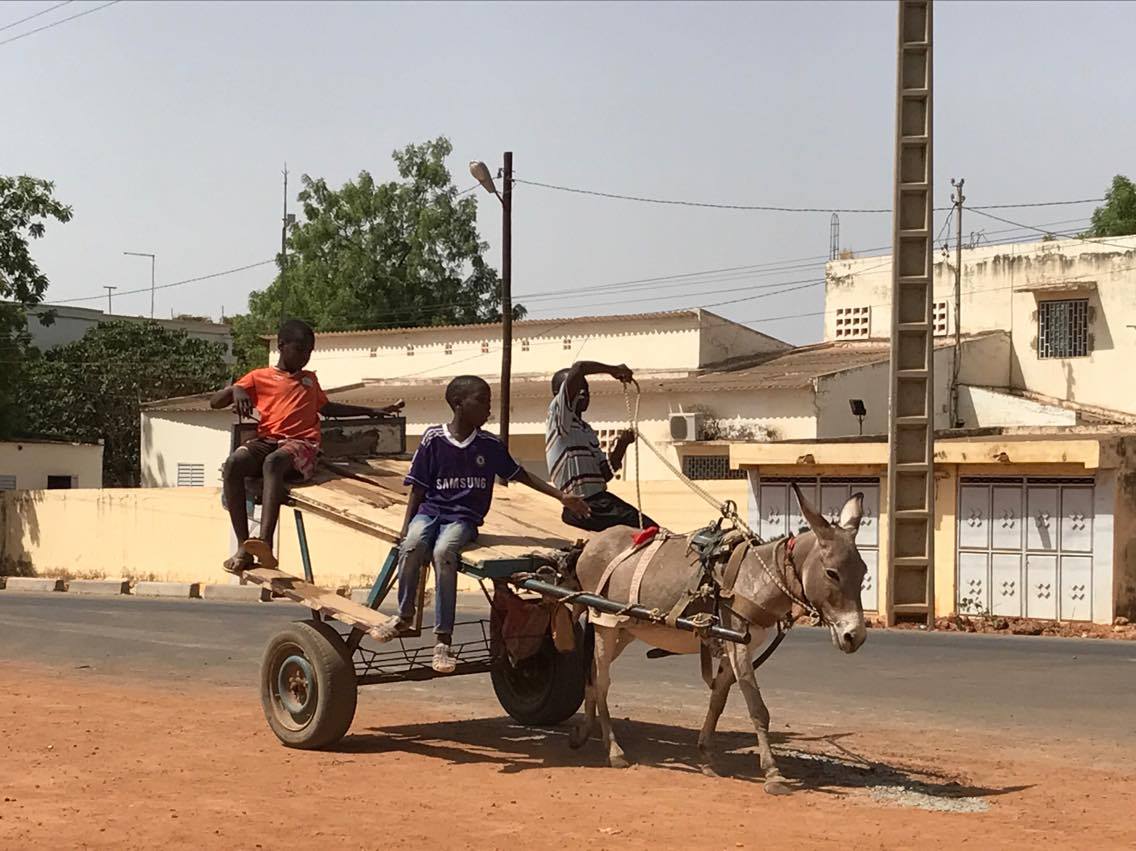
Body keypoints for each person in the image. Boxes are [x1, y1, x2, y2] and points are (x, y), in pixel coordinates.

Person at [376, 374, 591, 674]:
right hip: (430, 512)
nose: (488, 409)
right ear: (458, 404)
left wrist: (560, 496)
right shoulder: (433, 439)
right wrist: (405, 525)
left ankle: (443, 641)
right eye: (483, 402)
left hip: (463, 518)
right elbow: (418, 488)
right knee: (412, 545)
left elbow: (521, 475)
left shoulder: (489, 445)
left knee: (443, 553)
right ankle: (402, 615)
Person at [211, 319, 404, 573]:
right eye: (300, 350)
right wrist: (237, 389)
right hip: (268, 439)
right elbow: (216, 403)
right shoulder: (259, 377)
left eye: (309, 352)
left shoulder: (309, 381)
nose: (305, 357)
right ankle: (243, 546)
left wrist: (373, 411)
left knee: (273, 463)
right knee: (234, 464)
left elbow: (329, 408)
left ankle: (265, 542)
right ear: (281, 346)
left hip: (301, 445)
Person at [546, 361, 657, 531]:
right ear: (559, 395)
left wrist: (622, 445)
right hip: (584, 503)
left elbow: (605, 474)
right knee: (652, 531)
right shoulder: (560, 420)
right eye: (578, 388)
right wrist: (613, 370)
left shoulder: (586, 431)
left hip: (601, 501)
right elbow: (579, 368)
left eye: (587, 390)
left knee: (648, 529)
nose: (583, 393)